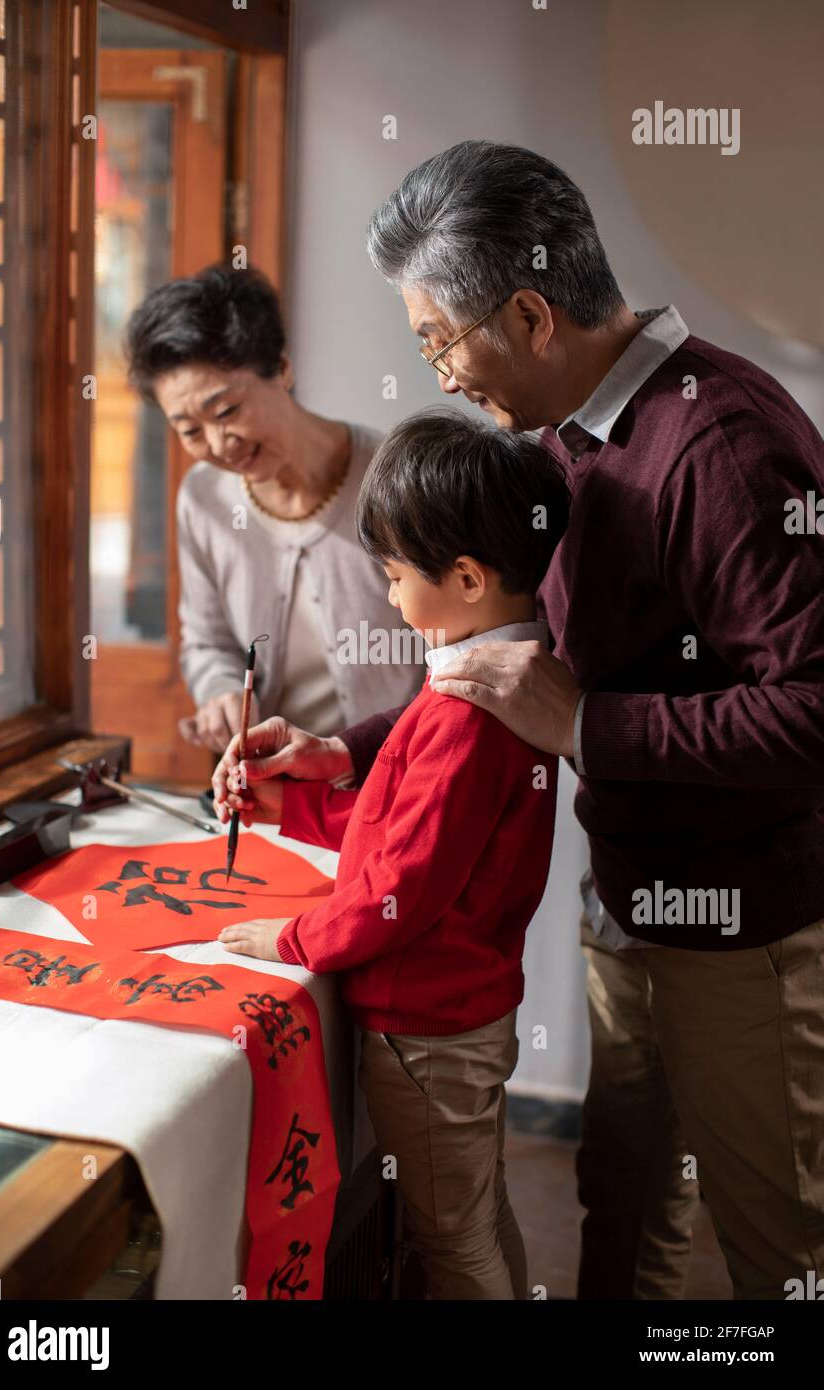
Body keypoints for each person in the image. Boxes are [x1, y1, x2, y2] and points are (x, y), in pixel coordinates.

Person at [213, 141, 824, 1302]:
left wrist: (590, 728)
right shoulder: (557, 441)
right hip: (628, 899)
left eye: (439, 340)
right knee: (626, 1197)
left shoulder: (724, 443)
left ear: (532, 313)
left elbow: (809, 711)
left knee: (775, 1242)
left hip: (744, 933)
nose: (439, 373)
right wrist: (340, 747)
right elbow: (505, 664)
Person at [213, 410, 570, 1300]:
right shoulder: (505, 677)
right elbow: (399, 828)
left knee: (450, 1238)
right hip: (461, 1013)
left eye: (396, 575)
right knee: (476, 1215)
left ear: (468, 578)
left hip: (430, 1028)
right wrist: (287, 803)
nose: (390, 593)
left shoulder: (462, 713)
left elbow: (397, 888)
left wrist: (291, 940)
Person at [125, 263, 423, 753]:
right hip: (278, 786)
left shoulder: (396, 478)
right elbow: (206, 641)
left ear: (282, 368)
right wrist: (220, 691)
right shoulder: (204, 500)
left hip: (397, 777)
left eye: (227, 411)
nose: (221, 444)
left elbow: (452, 649)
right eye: (190, 430)